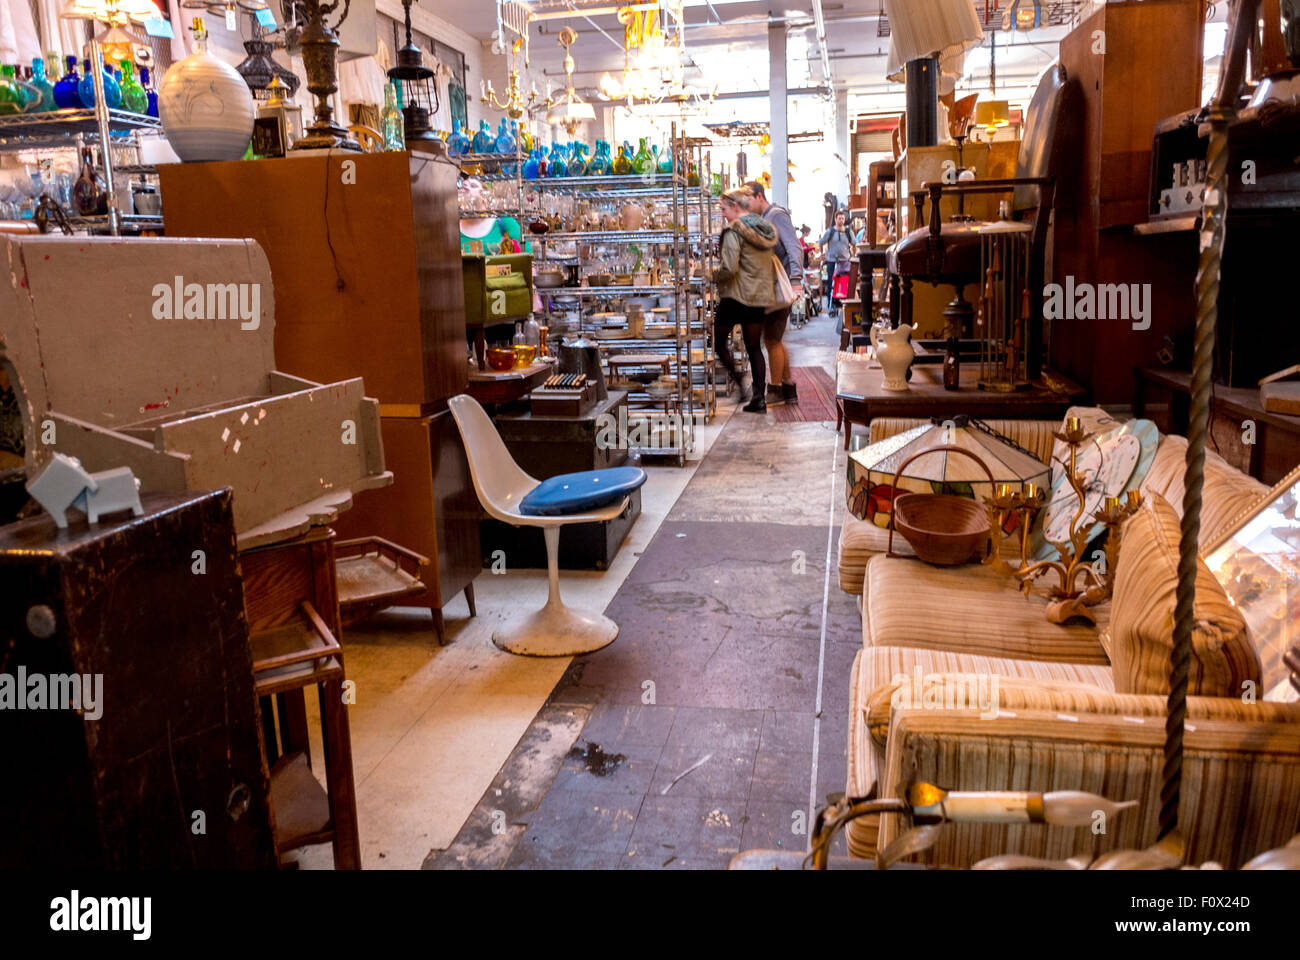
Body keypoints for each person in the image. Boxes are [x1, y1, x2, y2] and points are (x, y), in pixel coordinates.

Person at [712, 188, 779, 413]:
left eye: (724, 209)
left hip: (736, 296)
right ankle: (759, 398)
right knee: (754, 347)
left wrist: (710, 274)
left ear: (736, 207)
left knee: (718, 341)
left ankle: (739, 379)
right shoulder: (762, 228)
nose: (722, 214)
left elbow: (729, 268)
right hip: (758, 296)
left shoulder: (733, 232)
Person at [742, 180, 800, 405]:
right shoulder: (765, 218)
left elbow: (794, 247)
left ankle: (775, 389)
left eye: (748, 201)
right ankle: (788, 389)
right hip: (774, 288)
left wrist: (796, 280)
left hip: (780, 288)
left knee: (772, 340)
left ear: (758, 196)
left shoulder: (776, 215)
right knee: (774, 339)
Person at [819, 209, 854, 317]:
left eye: (843, 218)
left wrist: (855, 256)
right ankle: (831, 306)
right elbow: (821, 242)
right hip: (832, 261)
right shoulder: (830, 232)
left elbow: (854, 244)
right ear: (835, 219)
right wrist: (822, 254)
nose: (841, 220)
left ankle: (843, 305)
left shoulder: (848, 232)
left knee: (844, 284)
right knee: (831, 283)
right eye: (839, 218)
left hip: (845, 262)